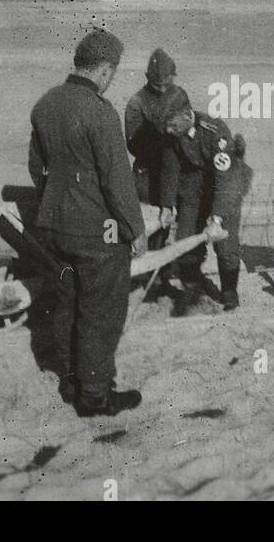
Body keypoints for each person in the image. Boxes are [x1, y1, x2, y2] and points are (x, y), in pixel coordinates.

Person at [28, 29, 146, 417]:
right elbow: (117, 180)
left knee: (67, 304)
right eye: (112, 73)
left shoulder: (46, 104)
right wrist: (134, 228)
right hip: (95, 233)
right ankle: (95, 396)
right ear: (105, 70)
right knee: (101, 312)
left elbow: (37, 168)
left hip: (52, 226)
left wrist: (57, 201)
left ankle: (69, 380)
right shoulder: (99, 111)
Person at [163, 107, 251, 310]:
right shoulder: (172, 132)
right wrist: (166, 206)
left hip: (226, 186)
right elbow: (170, 169)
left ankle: (229, 290)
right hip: (194, 188)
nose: (169, 131)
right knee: (186, 237)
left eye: (173, 126)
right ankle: (193, 287)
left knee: (225, 243)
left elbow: (226, 179)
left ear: (187, 116)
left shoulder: (215, 130)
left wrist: (217, 218)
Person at [124, 48, 190, 263]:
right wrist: (161, 137)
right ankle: (147, 271)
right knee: (150, 226)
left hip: (176, 173)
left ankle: (165, 274)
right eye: (157, 83)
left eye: (166, 82)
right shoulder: (137, 102)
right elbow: (133, 144)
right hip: (147, 173)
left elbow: (188, 128)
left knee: (175, 226)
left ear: (173, 76)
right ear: (147, 78)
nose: (162, 88)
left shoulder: (179, 96)